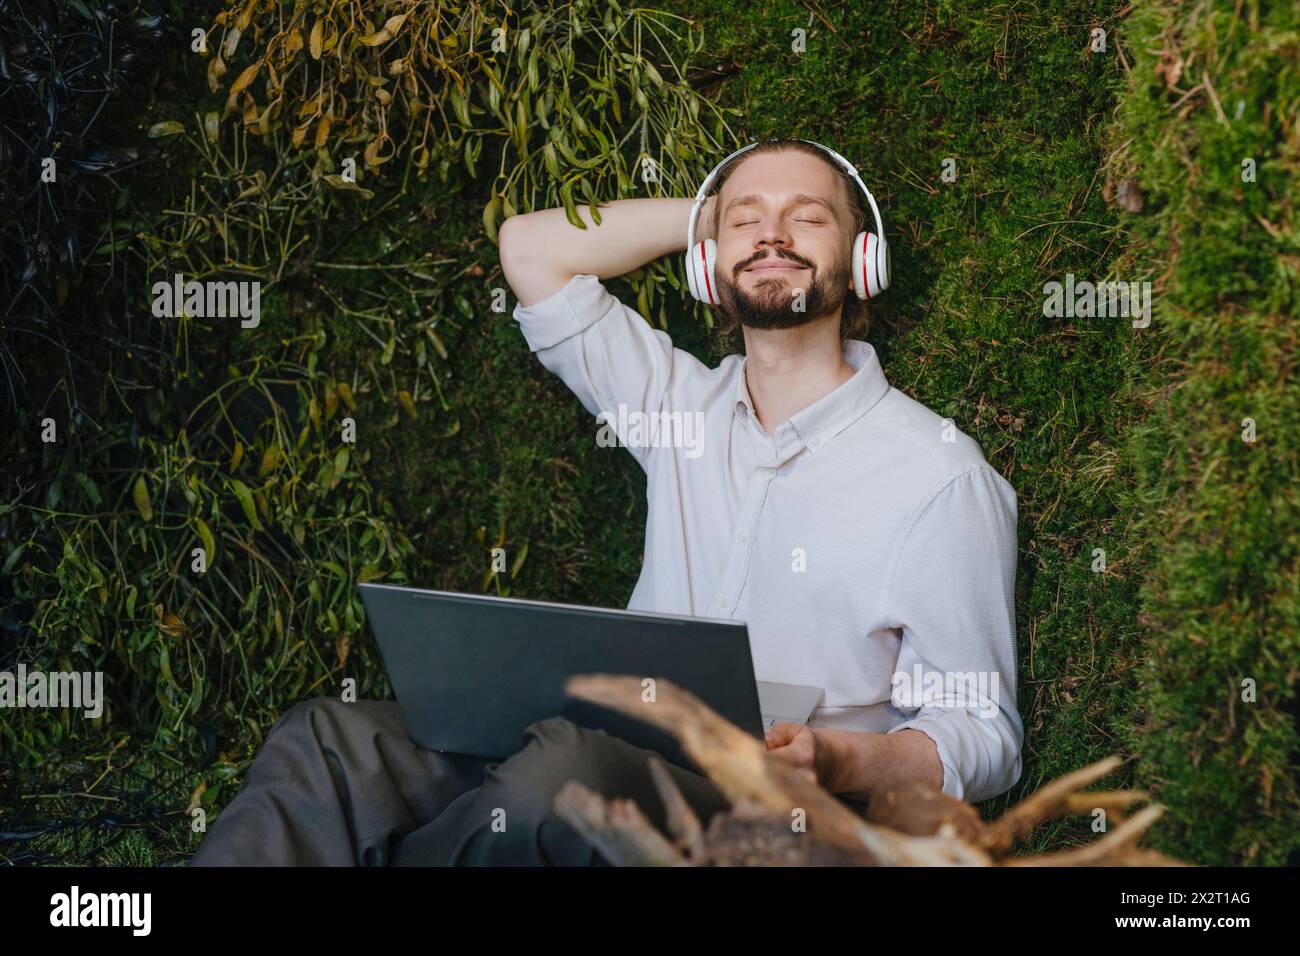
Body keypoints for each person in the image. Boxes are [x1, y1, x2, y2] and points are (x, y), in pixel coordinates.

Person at [189, 139, 1022, 866]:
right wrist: (709, 216)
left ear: (861, 259)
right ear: (706, 265)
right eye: (745, 221)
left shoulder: (936, 476)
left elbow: (985, 733)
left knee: (559, 777)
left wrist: (837, 759)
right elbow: (531, 249)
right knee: (334, 742)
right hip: (601, 749)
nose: (772, 232)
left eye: (807, 218)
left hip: (777, 821)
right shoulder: (678, 410)